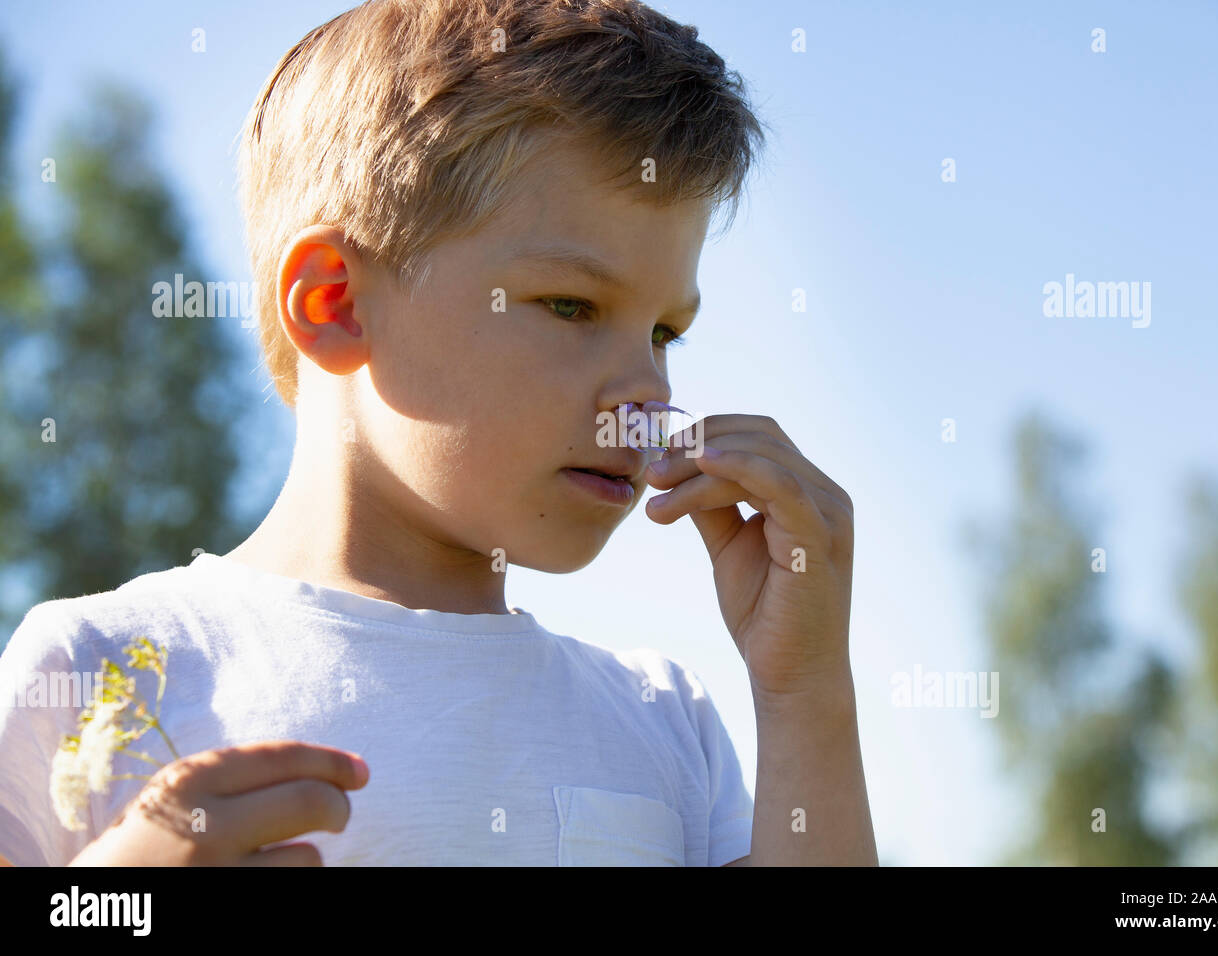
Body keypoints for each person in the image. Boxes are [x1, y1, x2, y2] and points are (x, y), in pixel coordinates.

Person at [0, 0, 874, 866]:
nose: (647, 394)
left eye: (663, 334)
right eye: (572, 305)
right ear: (334, 302)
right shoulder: (101, 669)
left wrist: (806, 693)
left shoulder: (666, 723)